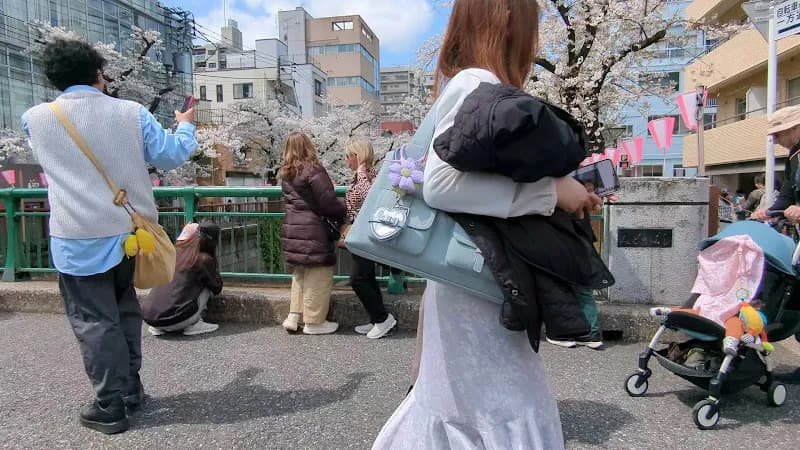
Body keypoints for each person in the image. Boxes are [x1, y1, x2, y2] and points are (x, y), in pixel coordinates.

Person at [372, 1, 603, 448]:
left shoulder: (469, 84)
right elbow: (442, 184)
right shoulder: (478, 82)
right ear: (512, 28)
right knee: (498, 406)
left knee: (468, 407)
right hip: (477, 285)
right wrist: (551, 193)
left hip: (468, 279)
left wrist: (558, 188)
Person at [21, 38, 197, 434]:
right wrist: (185, 127)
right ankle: (131, 389)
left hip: (76, 238)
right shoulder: (131, 112)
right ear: (99, 73)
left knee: (93, 321)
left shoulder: (35, 118)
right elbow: (169, 155)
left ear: (54, 79)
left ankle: (109, 405)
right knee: (125, 311)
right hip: (130, 235)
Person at [280, 131, 346, 335]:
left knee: (300, 271)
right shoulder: (313, 169)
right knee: (319, 272)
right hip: (313, 228)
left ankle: (294, 316)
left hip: (293, 226)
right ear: (308, 146)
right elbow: (327, 202)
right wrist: (344, 209)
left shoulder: (285, 173)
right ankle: (314, 322)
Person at [343, 139, 398, 339]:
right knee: (366, 278)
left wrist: (361, 173)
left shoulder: (370, 176)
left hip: (368, 235)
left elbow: (371, 197)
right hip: (361, 234)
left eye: (349, 156)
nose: (346, 160)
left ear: (358, 156)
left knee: (358, 280)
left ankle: (383, 319)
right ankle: (376, 318)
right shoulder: (361, 177)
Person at [142, 222, 222, 336]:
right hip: (178, 319)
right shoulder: (203, 259)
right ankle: (195, 323)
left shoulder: (173, 253)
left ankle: (159, 328)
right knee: (206, 286)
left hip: (150, 319)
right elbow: (217, 288)